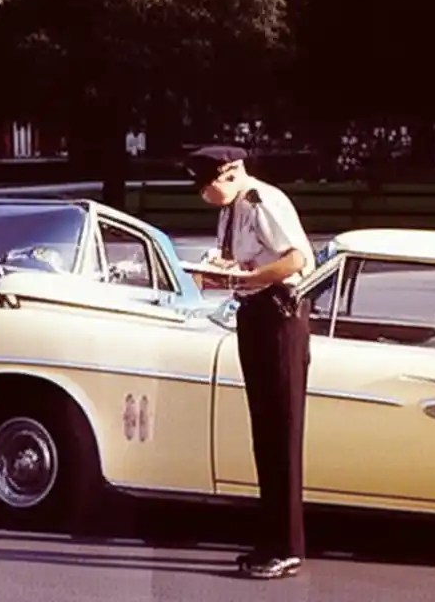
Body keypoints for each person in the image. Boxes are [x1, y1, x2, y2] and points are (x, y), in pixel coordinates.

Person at [185, 144, 315, 580]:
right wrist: (217, 272)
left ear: (230, 173)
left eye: (206, 186)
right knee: (264, 430)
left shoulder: (262, 201)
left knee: (282, 430)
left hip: (279, 312)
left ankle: (288, 546)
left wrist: (247, 279)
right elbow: (239, 256)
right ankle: (270, 538)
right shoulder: (232, 209)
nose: (203, 195)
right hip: (254, 313)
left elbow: (296, 258)